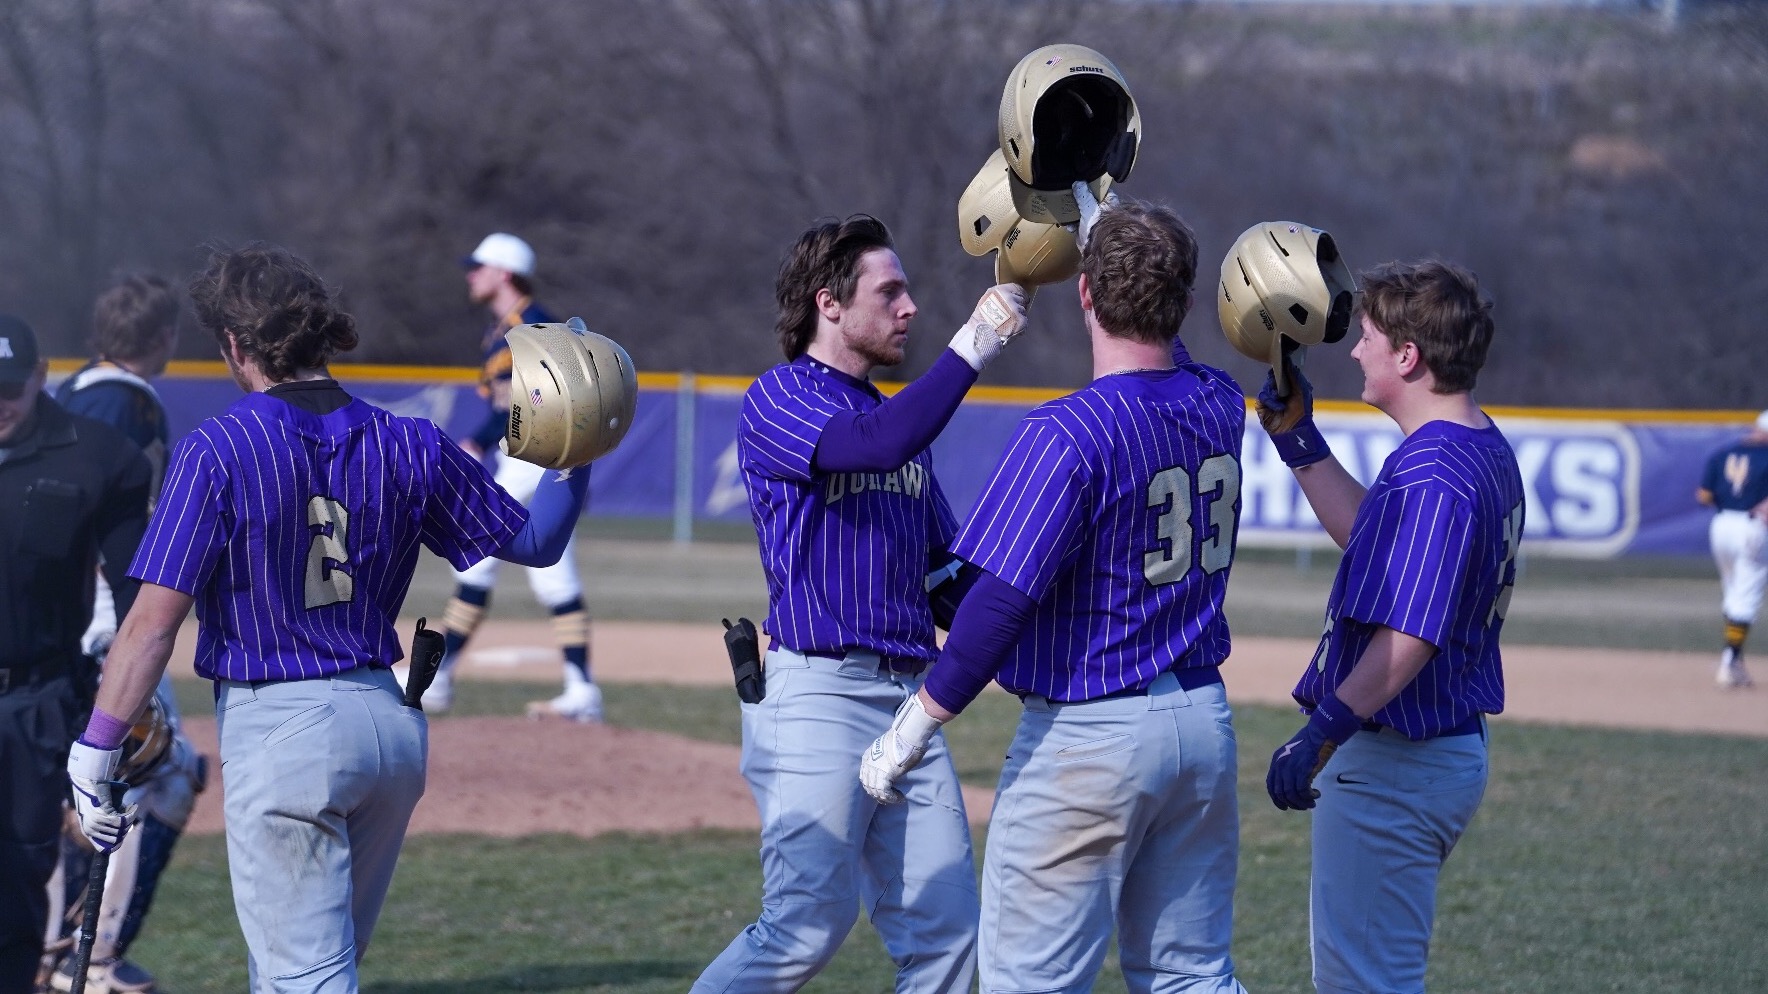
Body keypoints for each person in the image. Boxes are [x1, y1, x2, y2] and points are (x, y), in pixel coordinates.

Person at [62, 243, 592, 994]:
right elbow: (536, 541)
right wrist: (576, 457)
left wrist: (96, 747)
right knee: (317, 968)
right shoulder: (409, 439)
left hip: (282, 731)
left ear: (236, 345)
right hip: (387, 726)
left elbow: (152, 623)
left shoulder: (219, 447)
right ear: (324, 335)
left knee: (304, 981)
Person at [859, 200, 1251, 994]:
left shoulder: (1066, 432)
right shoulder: (1219, 401)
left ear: (1084, 295)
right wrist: (1114, 225)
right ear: (1182, 298)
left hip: (1092, 736)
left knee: (1030, 984)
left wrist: (917, 722)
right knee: (1191, 979)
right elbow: (1163, 338)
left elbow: (997, 609)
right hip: (1202, 725)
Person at [690, 214, 1030, 994]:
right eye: (891, 292)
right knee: (803, 927)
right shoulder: (778, 399)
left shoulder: (892, 419)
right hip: (817, 694)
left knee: (949, 940)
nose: (909, 308)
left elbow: (945, 578)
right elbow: (874, 444)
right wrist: (975, 342)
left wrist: (1031, 626)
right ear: (829, 304)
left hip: (908, 700)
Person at [1257, 260, 1524, 994]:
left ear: (1408, 357)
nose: (1354, 350)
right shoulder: (1475, 442)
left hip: (1398, 759)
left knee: (1363, 984)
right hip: (1435, 749)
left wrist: (1323, 730)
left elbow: (1409, 636)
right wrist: (1300, 443)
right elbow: (1380, 546)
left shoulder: (1436, 471)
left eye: (1368, 336)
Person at [43, 274, 204, 994]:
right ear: (163, 337)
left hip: (82, 618)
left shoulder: (78, 390)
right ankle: (92, 956)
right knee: (150, 773)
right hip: (107, 623)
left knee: (95, 781)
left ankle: (59, 951)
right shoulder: (119, 402)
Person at [0, 312, 151, 994]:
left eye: (8, 387)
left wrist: (128, 705)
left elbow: (137, 601)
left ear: (40, 377)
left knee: (15, 888)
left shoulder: (100, 458)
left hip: (31, 703)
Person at [426, 232, 599, 721]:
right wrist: (480, 438)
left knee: (478, 559)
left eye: (478, 266)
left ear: (504, 272)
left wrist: (478, 441)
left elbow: (543, 399)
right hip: (519, 458)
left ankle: (439, 678)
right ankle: (582, 689)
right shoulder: (501, 329)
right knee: (552, 575)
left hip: (536, 459)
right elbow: (506, 405)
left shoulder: (535, 325)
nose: (470, 275)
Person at [1694, 410, 1768, 689]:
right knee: (1746, 596)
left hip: (1722, 524)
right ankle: (1730, 661)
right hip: (1753, 526)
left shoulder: (1722, 453)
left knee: (1733, 590)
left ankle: (1733, 660)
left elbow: (1703, 496)